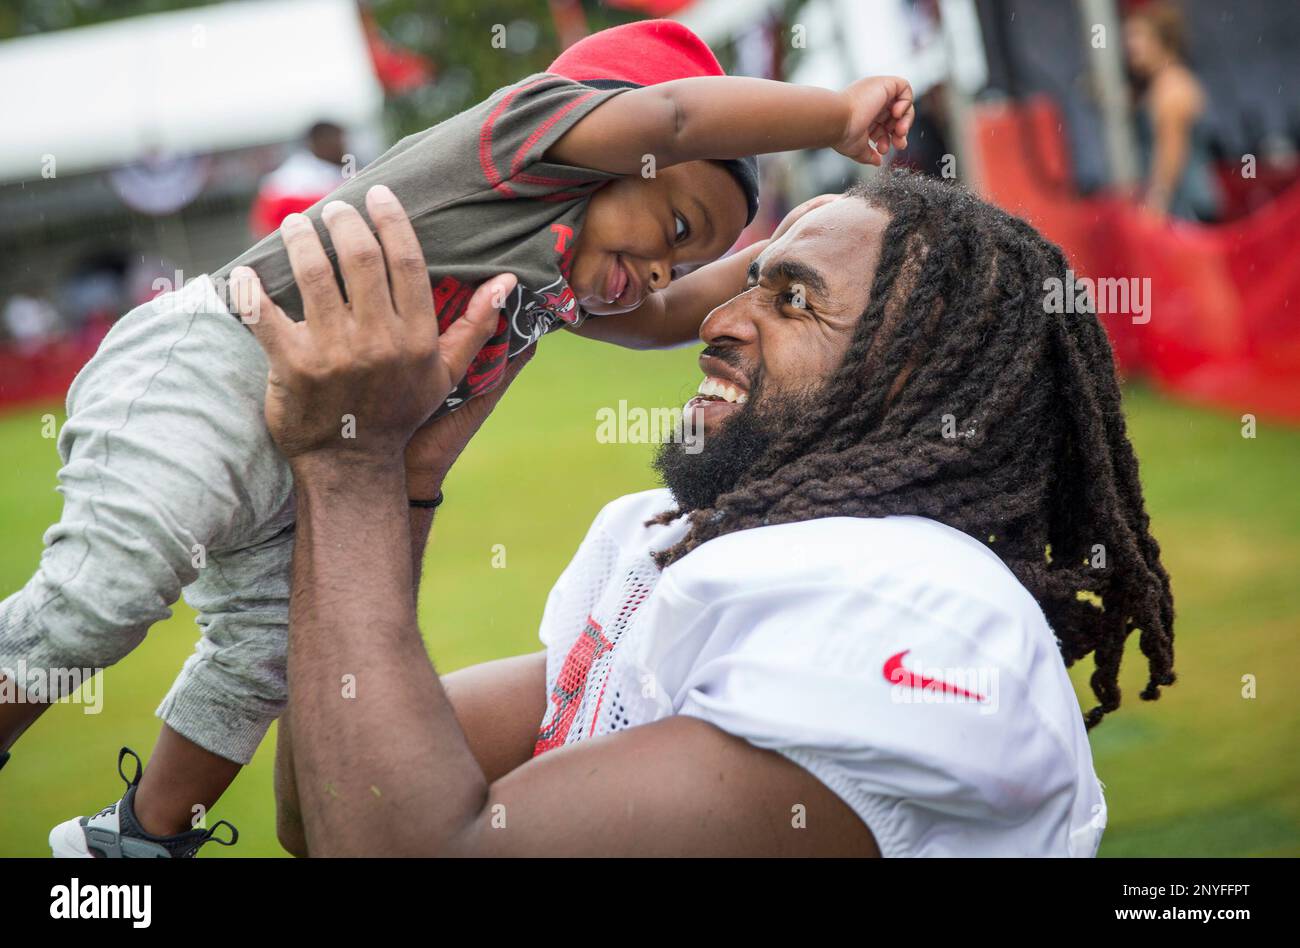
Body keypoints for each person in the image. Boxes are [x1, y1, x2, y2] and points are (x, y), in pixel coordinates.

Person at [0, 18, 915, 857]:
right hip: (224, 361)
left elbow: (668, 310)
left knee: (265, 654)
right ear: (607, 143)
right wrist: (832, 114)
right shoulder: (515, 149)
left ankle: (137, 840)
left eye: (680, 255)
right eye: (673, 227)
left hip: (314, 444)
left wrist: (792, 257)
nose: (659, 271)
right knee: (109, 587)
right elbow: (674, 117)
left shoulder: (564, 281)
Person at [247, 173, 1175, 857]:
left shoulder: (920, 607)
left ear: (910, 383)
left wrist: (349, 466)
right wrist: (407, 472)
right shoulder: (697, 550)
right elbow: (321, 811)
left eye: (793, 299)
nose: (718, 321)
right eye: (750, 281)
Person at [1124, 1, 1221, 221]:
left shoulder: (1171, 88)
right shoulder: (1161, 84)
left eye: (1137, 37)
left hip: (1186, 206)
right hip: (1187, 203)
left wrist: (1156, 206)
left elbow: (1171, 151)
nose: (1130, 47)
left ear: (1162, 40)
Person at [249, 121, 352, 238]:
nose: (344, 147)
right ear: (321, 141)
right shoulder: (292, 182)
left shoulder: (337, 171)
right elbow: (264, 228)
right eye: (339, 141)